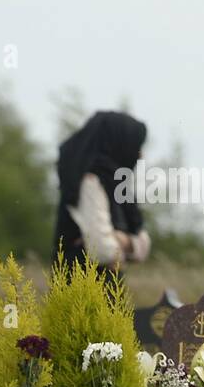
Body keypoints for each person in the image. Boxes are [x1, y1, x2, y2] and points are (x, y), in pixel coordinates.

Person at [53, 111, 151, 273]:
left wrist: (120, 241)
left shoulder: (116, 185)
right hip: (79, 290)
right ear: (118, 144)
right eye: (135, 146)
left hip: (103, 289)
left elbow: (144, 245)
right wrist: (128, 244)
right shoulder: (89, 181)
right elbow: (102, 251)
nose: (140, 155)